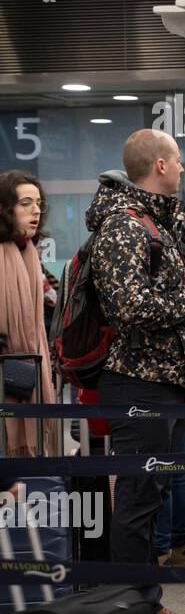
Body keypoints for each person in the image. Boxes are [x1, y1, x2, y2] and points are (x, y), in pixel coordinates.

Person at [87, 130, 185, 614]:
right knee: (138, 504)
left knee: (153, 496)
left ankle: (149, 601)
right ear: (160, 164)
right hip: (137, 384)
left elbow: (155, 297)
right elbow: (130, 309)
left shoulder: (152, 223)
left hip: (161, 383)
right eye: (180, 163)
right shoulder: (123, 226)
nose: (184, 170)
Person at [0, 171, 57, 455]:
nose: (35, 210)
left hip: (29, 372)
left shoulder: (30, 252)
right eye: (25, 203)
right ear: (6, 208)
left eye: (38, 203)